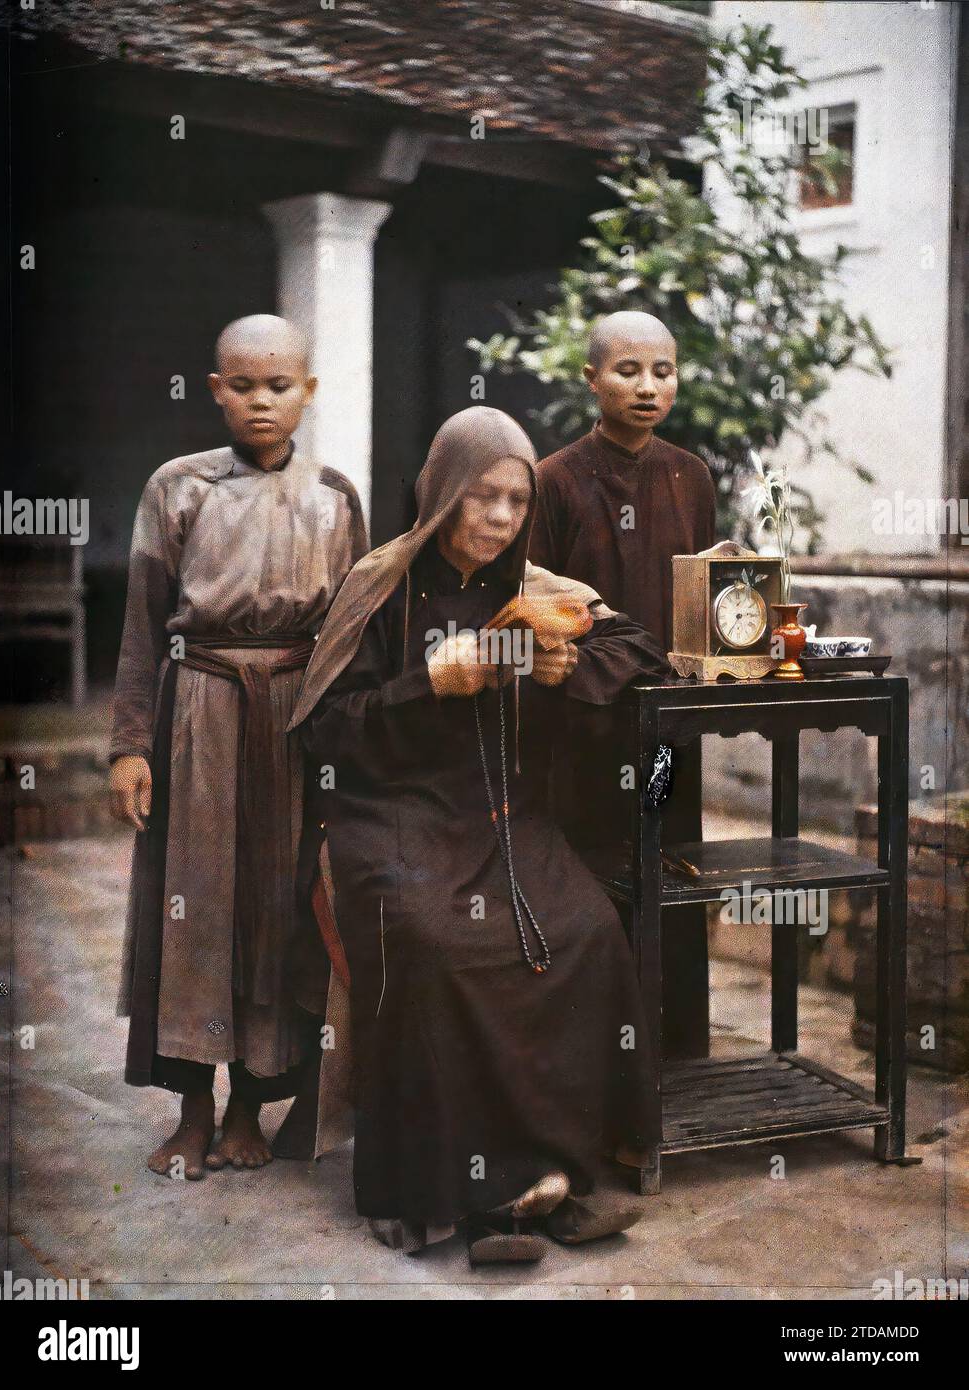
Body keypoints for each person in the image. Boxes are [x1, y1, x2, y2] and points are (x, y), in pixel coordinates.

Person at [288, 405, 669, 1264]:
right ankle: (444, 1192)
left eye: (515, 501)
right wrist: (427, 682)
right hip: (391, 818)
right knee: (432, 945)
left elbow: (638, 651)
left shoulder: (529, 589)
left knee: (585, 930)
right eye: (481, 498)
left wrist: (560, 666)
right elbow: (327, 733)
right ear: (441, 494)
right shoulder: (381, 585)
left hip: (499, 812)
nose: (499, 519)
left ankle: (554, 1174)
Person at [109, 314, 367, 1180]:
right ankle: (191, 1110)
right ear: (216, 390)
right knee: (195, 906)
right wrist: (129, 744)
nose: (262, 402)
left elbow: (352, 633)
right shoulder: (176, 490)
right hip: (201, 715)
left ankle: (253, 1107)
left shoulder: (334, 495)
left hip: (295, 722)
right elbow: (144, 623)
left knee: (281, 903)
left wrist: (346, 748)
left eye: (279, 386)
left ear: (308, 391)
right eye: (243, 386)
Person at [529, 310, 716, 1059]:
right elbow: (535, 601)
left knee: (672, 872)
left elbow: (703, 593)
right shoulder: (553, 480)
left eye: (661, 371)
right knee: (593, 884)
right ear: (590, 378)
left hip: (671, 724)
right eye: (626, 370)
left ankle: (677, 1061)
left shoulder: (689, 475)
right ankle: (593, 1066)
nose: (646, 386)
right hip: (583, 726)